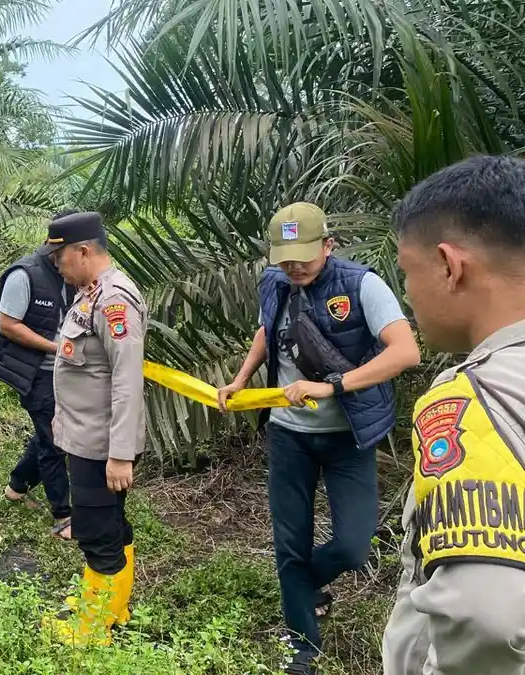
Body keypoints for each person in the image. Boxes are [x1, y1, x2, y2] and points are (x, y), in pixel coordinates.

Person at [217, 202, 420, 674]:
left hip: (348, 434)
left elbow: (406, 351)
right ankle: (301, 646)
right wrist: (242, 378)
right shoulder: (275, 282)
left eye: (304, 256)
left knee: (353, 544)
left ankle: (304, 586)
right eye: (285, 257)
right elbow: (267, 329)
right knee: (290, 541)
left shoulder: (361, 285)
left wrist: (332, 385)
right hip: (290, 437)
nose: (294, 266)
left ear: (329, 245)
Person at [382, 155, 525, 675]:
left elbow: (487, 623)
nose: (408, 295)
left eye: (408, 272)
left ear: (449, 265)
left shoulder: (472, 399)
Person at [38, 211, 147, 647]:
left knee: (96, 531)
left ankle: (91, 630)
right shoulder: (90, 293)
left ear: (84, 251)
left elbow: (127, 380)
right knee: (111, 527)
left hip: (102, 444)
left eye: (60, 255)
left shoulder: (115, 300)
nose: (56, 263)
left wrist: (120, 453)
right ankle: (112, 609)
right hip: (84, 434)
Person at [0, 209, 78, 539]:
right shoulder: (25, 274)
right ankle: (63, 516)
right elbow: (8, 326)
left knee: (45, 433)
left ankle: (17, 486)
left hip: (65, 372)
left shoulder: (74, 274)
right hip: (34, 372)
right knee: (55, 441)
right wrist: (57, 348)